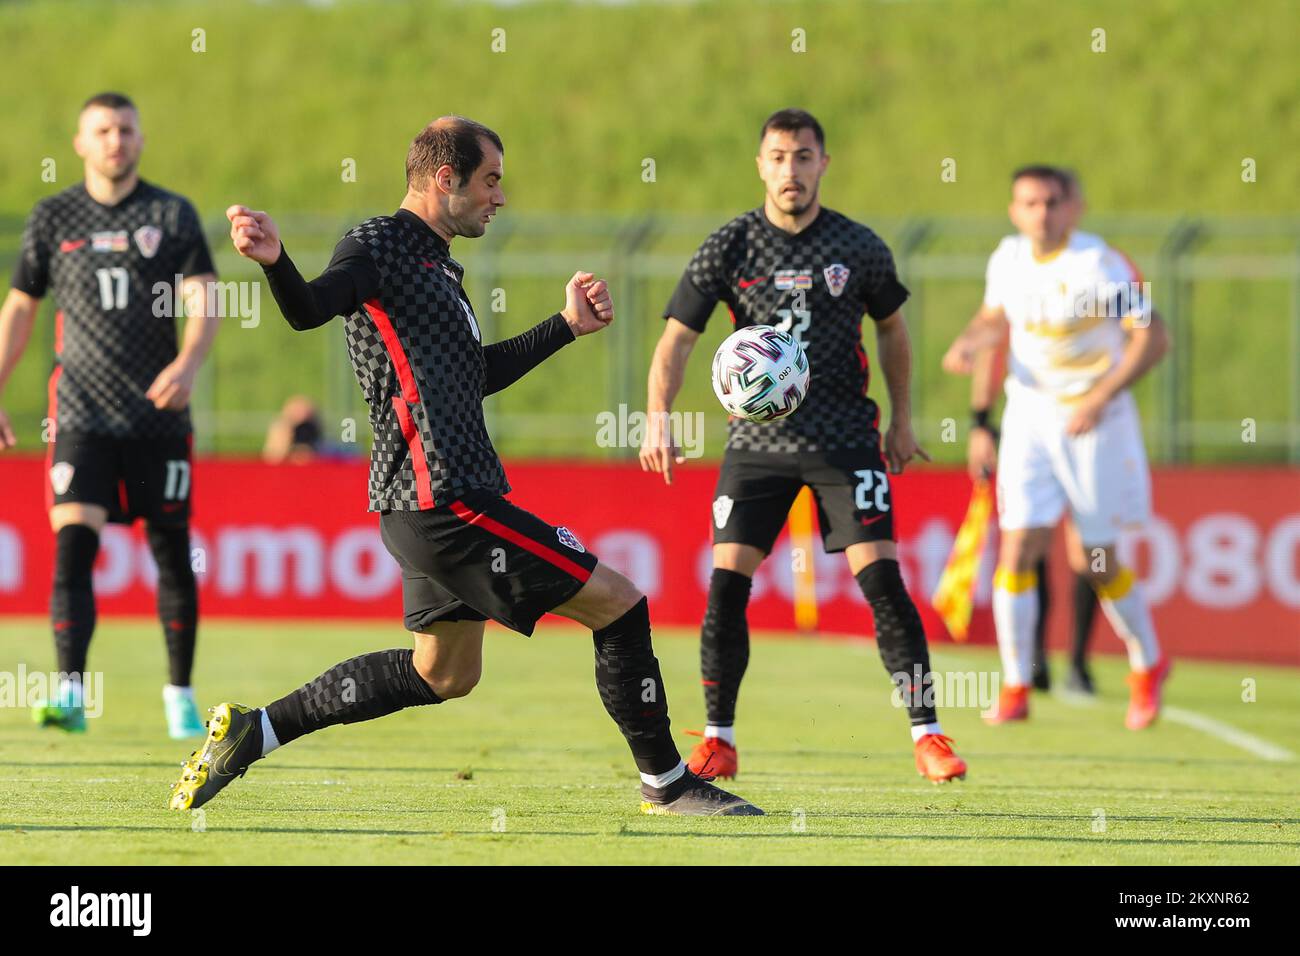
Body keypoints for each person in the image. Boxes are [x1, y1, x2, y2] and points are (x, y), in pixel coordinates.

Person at [169, 116, 761, 817]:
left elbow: (472, 374)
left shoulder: (437, 266)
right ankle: (666, 782)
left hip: (427, 505)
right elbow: (310, 308)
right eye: (490, 181)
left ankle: (254, 729)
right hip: (446, 500)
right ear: (445, 179)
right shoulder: (377, 246)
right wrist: (274, 262)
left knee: (445, 673)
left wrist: (564, 327)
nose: (499, 198)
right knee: (621, 603)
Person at [640, 108, 967, 784]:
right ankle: (720, 739)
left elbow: (894, 332)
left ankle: (929, 734)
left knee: (882, 581)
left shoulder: (859, 246)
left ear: (824, 164)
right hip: (757, 443)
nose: (791, 169)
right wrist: (655, 416)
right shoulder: (729, 247)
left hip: (846, 439)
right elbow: (677, 339)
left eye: (804, 156)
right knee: (727, 585)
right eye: (779, 157)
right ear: (760, 164)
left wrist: (901, 421)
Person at [0, 92, 219, 738]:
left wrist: (187, 365)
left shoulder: (171, 215)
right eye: (102, 130)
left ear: (141, 139)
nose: (115, 140)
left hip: (157, 417)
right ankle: (70, 692)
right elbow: (20, 310)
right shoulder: (52, 217)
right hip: (80, 415)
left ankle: (179, 695)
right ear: (80, 143)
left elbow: (205, 299)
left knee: (171, 552)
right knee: (73, 545)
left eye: (125, 129)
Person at [943, 165, 1171, 729]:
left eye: (1051, 202)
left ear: (1074, 208)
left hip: (1095, 421)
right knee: (1017, 548)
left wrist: (1098, 396)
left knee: (1092, 558)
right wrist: (977, 406)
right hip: (1028, 418)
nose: (1041, 213)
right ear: (1014, 211)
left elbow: (1154, 337)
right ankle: (1017, 683)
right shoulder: (1008, 259)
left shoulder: (1100, 265)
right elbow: (995, 323)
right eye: (1029, 203)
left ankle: (1147, 663)